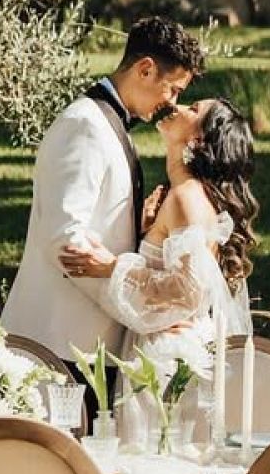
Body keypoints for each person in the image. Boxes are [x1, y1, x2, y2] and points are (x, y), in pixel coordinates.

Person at [0, 15, 205, 365]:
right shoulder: (84, 124)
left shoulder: (106, 124)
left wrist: (134, 225)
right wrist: (141, 308)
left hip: (91, 342)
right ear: (144, 69)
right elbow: (65, 240)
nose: (171, 102)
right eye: (173, 88)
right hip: (60, 339)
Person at [58, 94, 257, 366]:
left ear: (198, 141)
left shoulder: (187, 197)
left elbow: (189, 290)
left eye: (194, 109)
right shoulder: (179, 193)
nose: (179, 106)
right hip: (160, 346)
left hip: (171, 355)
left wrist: (113, 267)